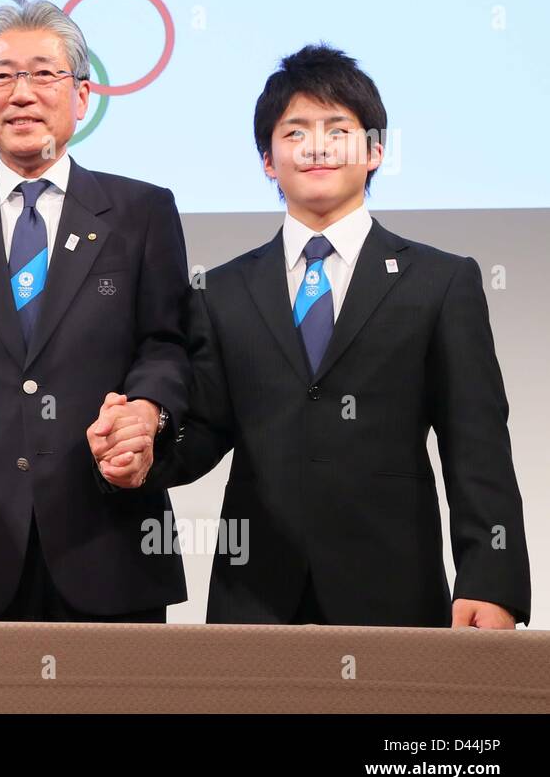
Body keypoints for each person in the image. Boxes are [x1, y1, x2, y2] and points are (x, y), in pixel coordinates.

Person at [93, 44, 532, 627]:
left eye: (338, 129)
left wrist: (491, 581)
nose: (318, 146)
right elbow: (202, 434)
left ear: (376, 151)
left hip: (396, 593)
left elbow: (476, 446)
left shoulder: (441, 282)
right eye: (295, 132)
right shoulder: (222, 292)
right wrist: (141, 452)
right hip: (254, 600)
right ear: (268, 161)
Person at [0, 1, 192, 621]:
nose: (21, 94)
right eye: (1, 76)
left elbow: (168, 344)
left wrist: (148, 413)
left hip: (108, 525)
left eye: (43, 74)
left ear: (81, 97)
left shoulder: (143, 213)